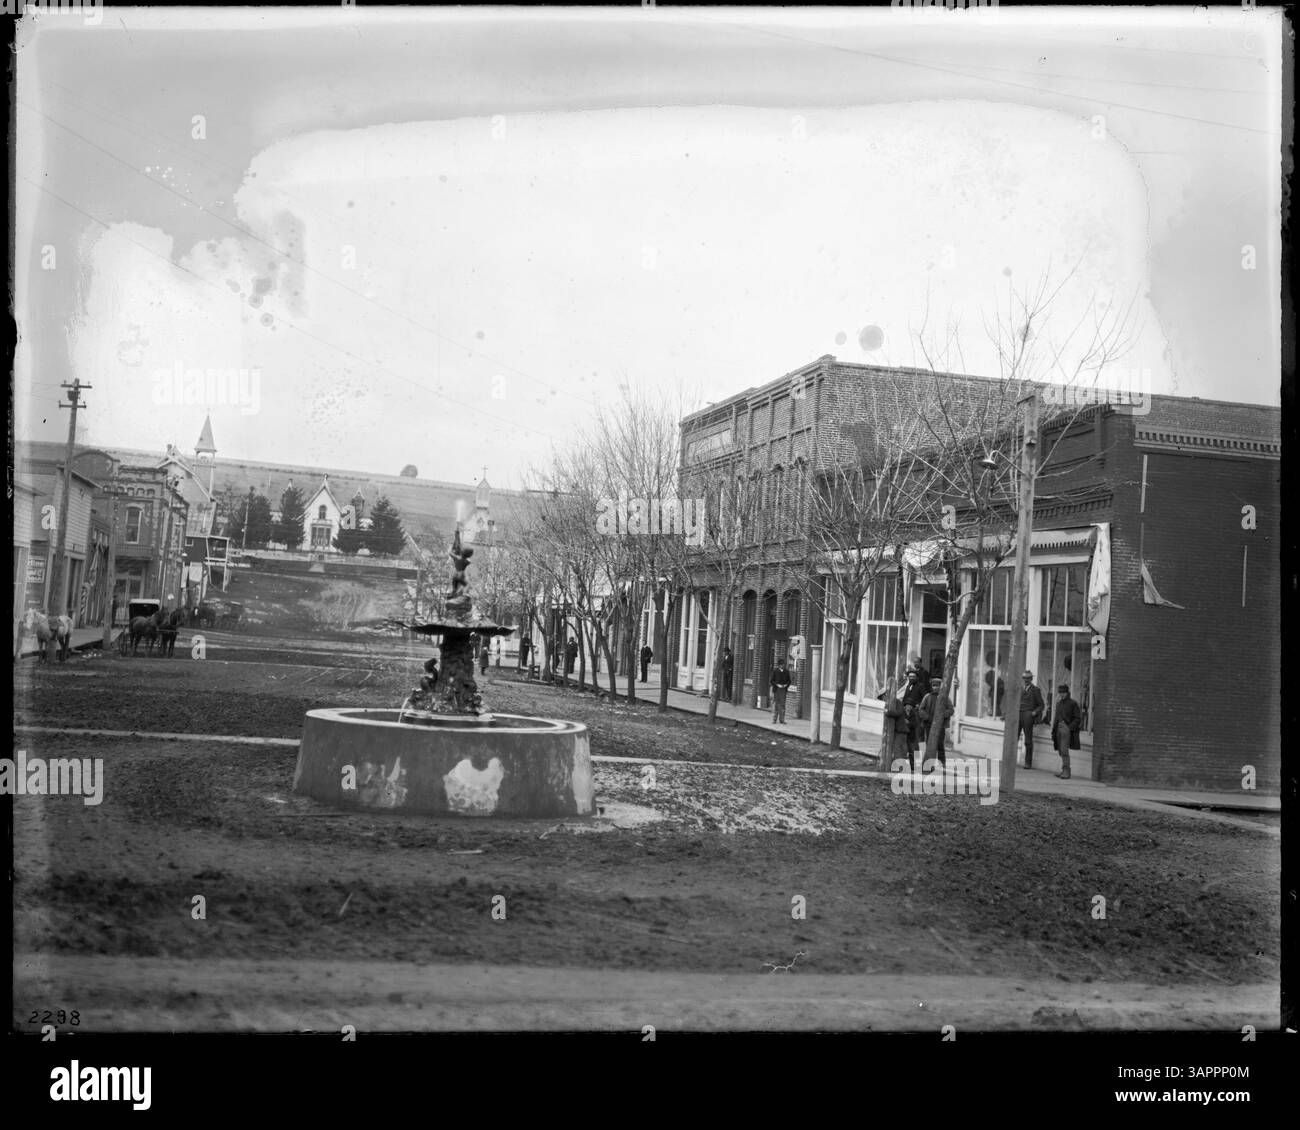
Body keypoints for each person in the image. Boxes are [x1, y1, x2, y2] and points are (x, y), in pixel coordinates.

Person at [918, 676, 953, 769]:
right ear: (931, 686)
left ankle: (942, 764)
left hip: (940, 725)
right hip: (928, 725)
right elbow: (921, 709)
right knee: (929, 744)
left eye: (937, 686)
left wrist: (942, 716)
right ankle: (929, 763)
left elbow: (951, 710)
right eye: (934, 685)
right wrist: (928, 717)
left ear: (940, 687)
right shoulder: (927, 697)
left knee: (940, 745)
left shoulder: (945, 698)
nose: (935, 687)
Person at [1016, 670, 1046, 768]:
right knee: (1013, 739)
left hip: (1028, 716)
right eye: (1024, 678)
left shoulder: (1036, 690)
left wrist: (1034, 712)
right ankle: (1011, 760)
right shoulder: (1019, 689)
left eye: (1028, 678)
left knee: (1028, 740)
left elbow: (1041, 705)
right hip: (1018, 715)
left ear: (1031, 679)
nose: (1026, 680)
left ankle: (1028, 763)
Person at [1052, 683, 1082, 779]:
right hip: (1058, 729)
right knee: (1060, 750)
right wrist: (1053, 730)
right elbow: (1056, 718)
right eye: (1060, 692)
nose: (1062, 694)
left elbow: (1078, 718)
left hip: (1066, 728)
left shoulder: (1073, 703)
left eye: (1064, 692)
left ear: (1067, 692)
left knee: (1064, 750)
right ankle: (1063, 770)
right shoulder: (1058, 704)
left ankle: (1066, 771)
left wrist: (1069, 728)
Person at [885, 682, 915, 772]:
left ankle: (900, 767)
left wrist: (888, 712)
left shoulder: (896, 702)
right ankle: (901, 766)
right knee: (901, 749)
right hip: (900, 730)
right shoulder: (892, 702)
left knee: (898, 748)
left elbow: (898, 713)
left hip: (901, 730)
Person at [769, 657, 792, 723]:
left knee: (782, 704)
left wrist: (786, 685)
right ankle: (774, 719)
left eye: (783, 664)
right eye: (781, 665)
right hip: (777, 690)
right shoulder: (775, 671)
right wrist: (777, 685)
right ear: (779, 665)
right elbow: (772, 681)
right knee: (776, 704)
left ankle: (782, 719)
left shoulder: (786, 672)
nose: (783, 666)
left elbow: (789, 681)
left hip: (783, 690)